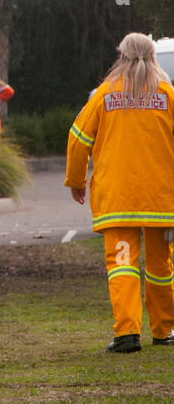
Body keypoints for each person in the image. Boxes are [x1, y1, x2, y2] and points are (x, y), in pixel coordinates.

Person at [65, 33, 174, 353]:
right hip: (160, 200)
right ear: (152, 56)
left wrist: (76, 181)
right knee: (160, 266)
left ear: (121, 56)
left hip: (118, 200)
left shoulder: (104, 95)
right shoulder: (167, 95)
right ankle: (163, 330)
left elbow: (78, 139)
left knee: (123, 263)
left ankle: (127, 334)